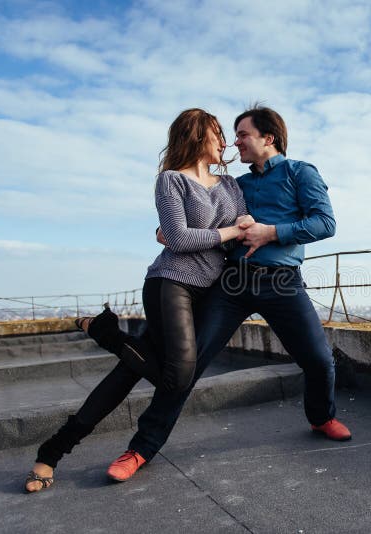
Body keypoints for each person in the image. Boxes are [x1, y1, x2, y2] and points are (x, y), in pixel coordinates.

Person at [105, 105, 352, 483]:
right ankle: (140, 449)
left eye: (242, 135)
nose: (234, 142)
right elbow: (196, 217)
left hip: (282, 281)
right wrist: (165, 230)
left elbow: (325, 223)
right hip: (232, 281)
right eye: (231, 135)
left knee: (319, 359)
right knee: (187, 367)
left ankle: (322, 417)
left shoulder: (301, 172)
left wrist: (271, 232)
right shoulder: (235, 183)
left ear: (267, 138)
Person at [24, 108, 251, 492]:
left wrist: (226, 234)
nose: (224, 141)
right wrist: (226, 232)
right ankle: (109, 336)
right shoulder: (171, 181)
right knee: (179, 375)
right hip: (171, 283)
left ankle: (51, 452)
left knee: (130, 370)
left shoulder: (230, 186)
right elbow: (180, 240)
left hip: (211, 290)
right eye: (217, 133)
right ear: (196, 135)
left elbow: (243, 233)